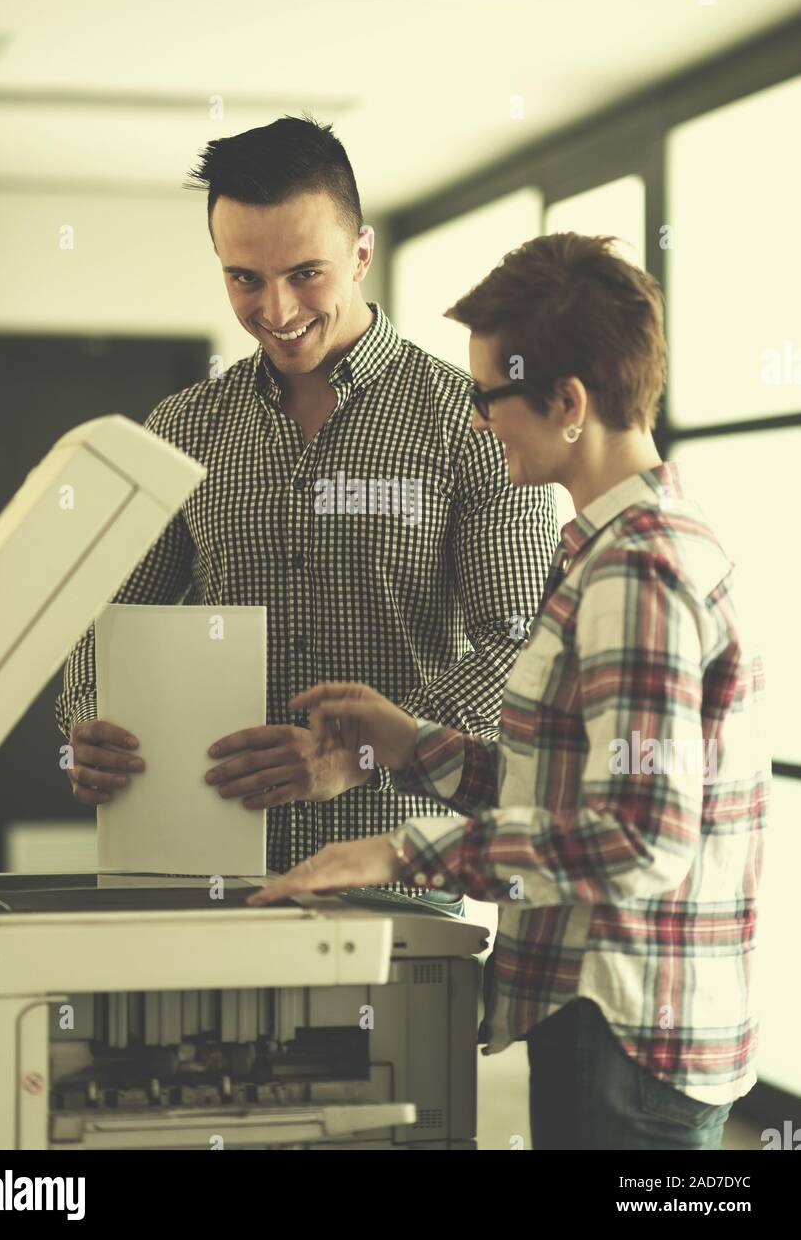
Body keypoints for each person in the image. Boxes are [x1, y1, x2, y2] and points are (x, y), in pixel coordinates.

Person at [250, 232, 769, 1150]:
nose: (480, 421)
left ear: (567, 401)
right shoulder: (613, 553)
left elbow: (640, 839)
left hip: (626, 1042)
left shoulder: (635, 574)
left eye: (490, 395)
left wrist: (405, 853)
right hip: (615, 1029)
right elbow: (569, 795)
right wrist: (409, 741)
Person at [55, 116, 558, 907]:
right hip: (204, 871)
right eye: (243, 278)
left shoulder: (474, 422)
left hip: (395, 884)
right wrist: (87, 719)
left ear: (360, 253)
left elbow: (524, 647)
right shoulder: (184, 427)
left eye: (305, 273)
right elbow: (107, 612)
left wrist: (363, 753)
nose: (277, 309)